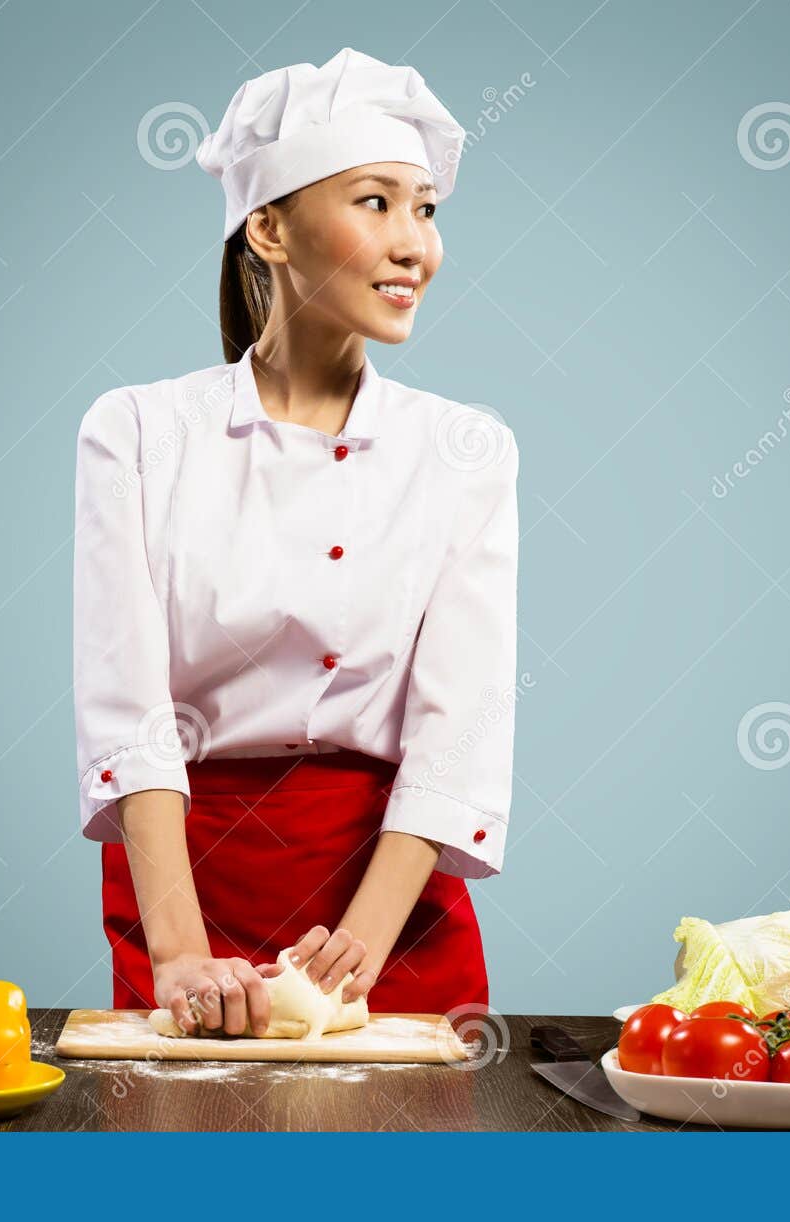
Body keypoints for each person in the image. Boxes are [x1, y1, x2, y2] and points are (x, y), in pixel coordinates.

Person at [72, 47, 518, 1037]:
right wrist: (179, 953)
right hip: (186, 885)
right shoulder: (138, 431)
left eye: (426, 210)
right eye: (375, 203)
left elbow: (462, 718)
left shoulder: (464, 450)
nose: (415, 246)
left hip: (391, 896)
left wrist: (359, 945)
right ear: (267, 228)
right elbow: (128, 710)